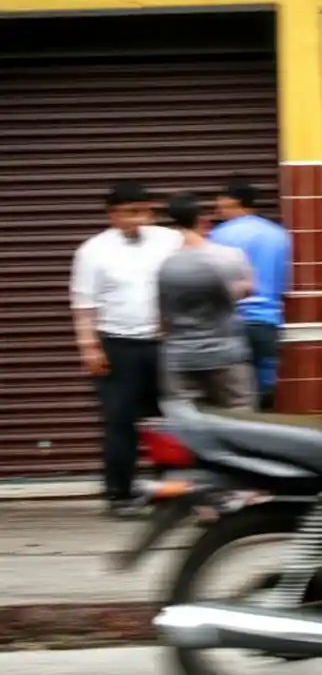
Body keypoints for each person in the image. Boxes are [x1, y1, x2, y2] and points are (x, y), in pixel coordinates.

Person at [70, 183, 182, 516]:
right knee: (120, 420)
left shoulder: (168, 240)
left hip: (163, 344)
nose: (140, 219)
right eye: (131, 212)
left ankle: (172, 490)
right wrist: (89, 348)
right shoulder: (93, 251)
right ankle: (119, 493)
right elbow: (83, 305)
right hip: (116, 345)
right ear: (112, 214)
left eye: (145, 211)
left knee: (170, 418)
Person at [157, 192, 257, 411]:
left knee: (189, 427)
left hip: (180, 358)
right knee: (240, 421)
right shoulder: (230, 256)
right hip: (226, 355)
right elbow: (247, 289)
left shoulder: (162, 263)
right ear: (203, 221)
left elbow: (160, 319)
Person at [209, 180, 291, 411]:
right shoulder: (279, 235)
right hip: (268, 323)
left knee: (234, 393)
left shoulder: (218, 235)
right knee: (266, 388)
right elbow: (283, 282)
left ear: (238, 205)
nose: (219, 213)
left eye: (222, 207)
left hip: (231, 323)